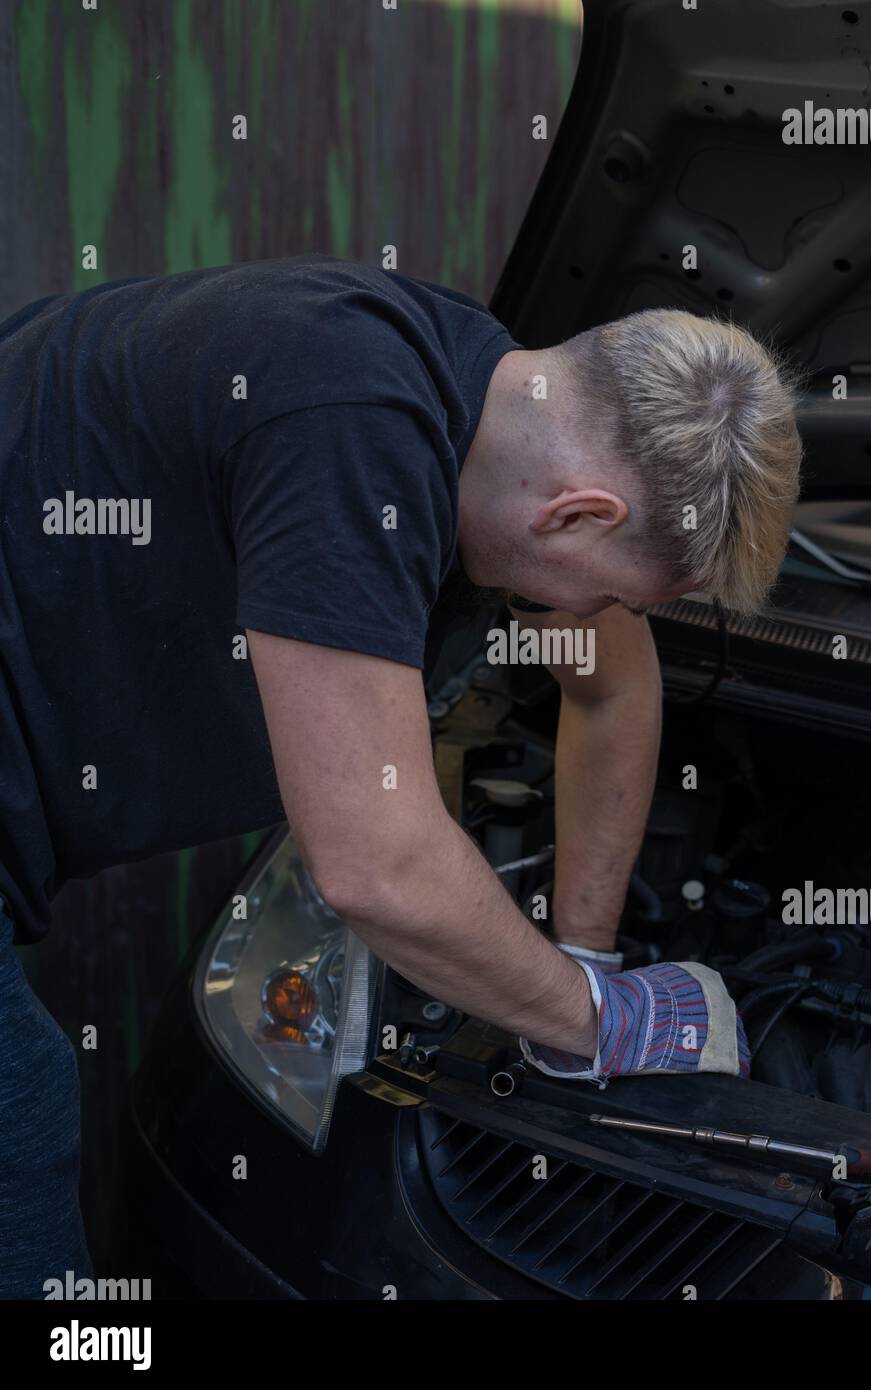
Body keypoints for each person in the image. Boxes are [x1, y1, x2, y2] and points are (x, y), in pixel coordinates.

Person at [0, 254, 801, 1296]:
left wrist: (587, 957)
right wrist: (598, 1024)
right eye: (621, 596)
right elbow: (372, 864)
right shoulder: (349, 425)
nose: (605, 625)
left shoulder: (486, 413)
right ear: (576, 516)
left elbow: (611, 691)